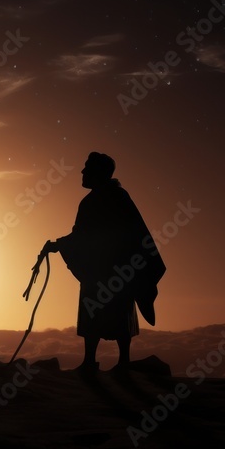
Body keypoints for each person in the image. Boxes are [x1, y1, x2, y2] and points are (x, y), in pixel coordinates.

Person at [41, 152, 165, 372]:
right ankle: (97, 361)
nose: (82, 172)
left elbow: (88, 235)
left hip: (111, 269)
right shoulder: (100, 200)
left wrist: (59, 244)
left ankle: (113, 362)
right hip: (111, 269)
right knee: (104, 311)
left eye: (87, 168)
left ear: (98, 172)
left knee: (112, 311)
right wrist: (59, 244)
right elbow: (83, 235)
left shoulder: (107, 199)